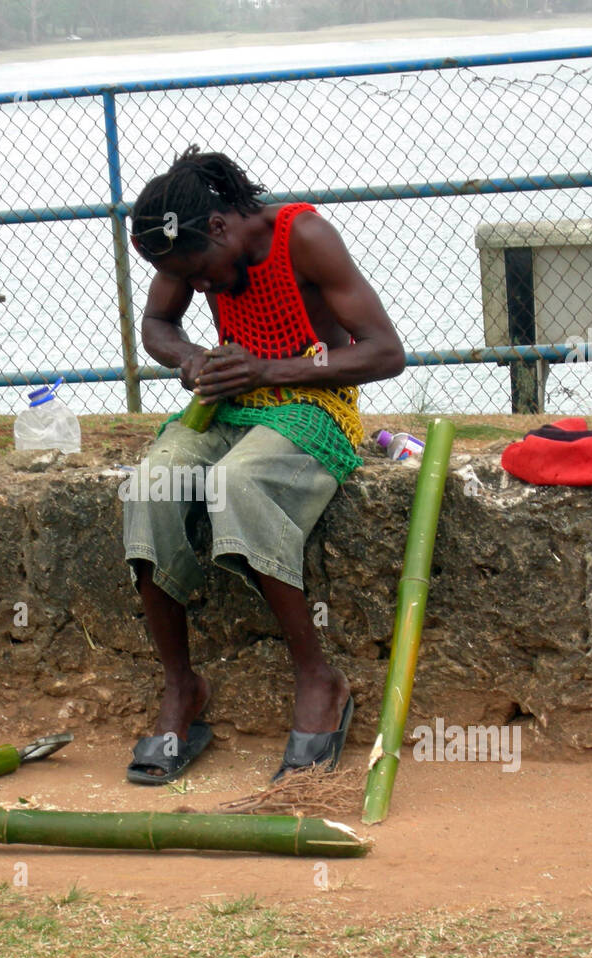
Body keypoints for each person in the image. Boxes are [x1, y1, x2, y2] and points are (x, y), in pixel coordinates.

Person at [122, 146, 406, 784]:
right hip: (230, 406)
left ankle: (318, 681)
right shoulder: (189, 246)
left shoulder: (304, 236)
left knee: (236, 482)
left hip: (315, 403)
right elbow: (157, 324)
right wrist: (193, 360)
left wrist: (270, 369)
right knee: (150, 484)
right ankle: (181, 689)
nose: (196, 285)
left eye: (198, 272)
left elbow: (386, 352)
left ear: (219, 228)